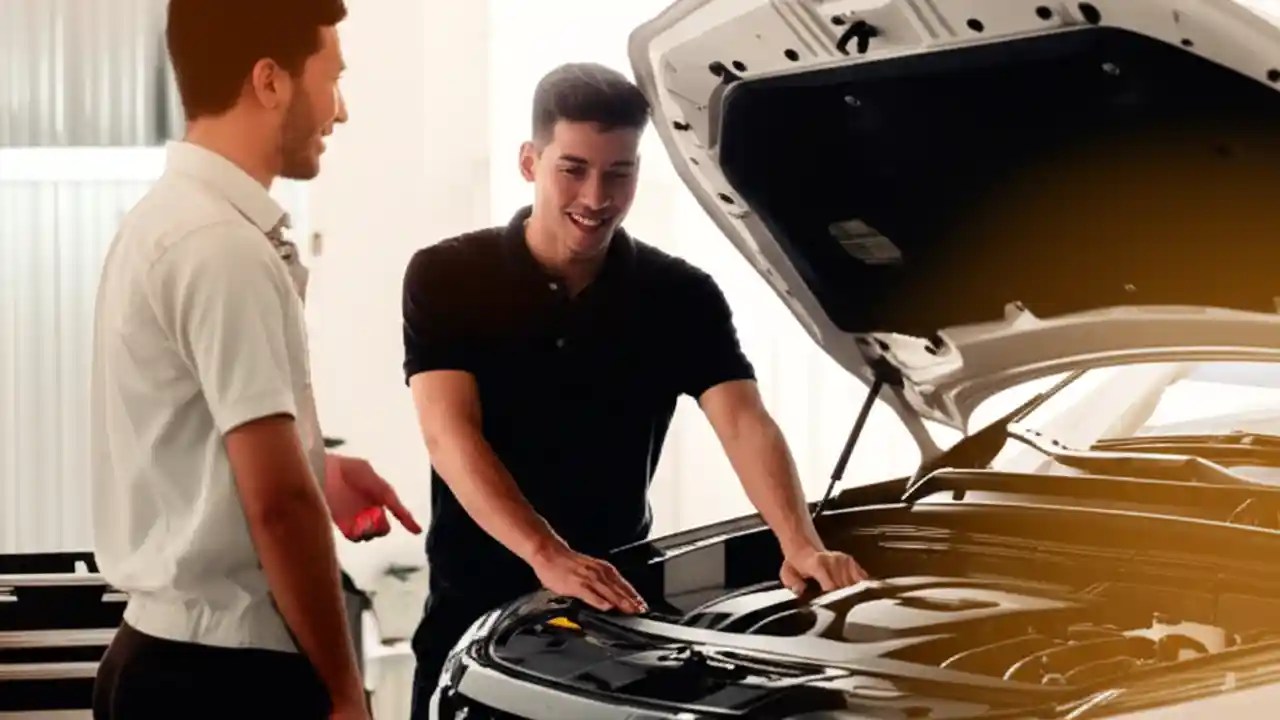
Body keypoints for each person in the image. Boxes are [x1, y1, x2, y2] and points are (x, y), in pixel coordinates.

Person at [401, 62, 869, 716]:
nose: (596, 197)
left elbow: (742, 420)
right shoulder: (447, 275)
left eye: (619, 172)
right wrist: (548, 554)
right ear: (529, 161)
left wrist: (800, 543)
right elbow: (448, 432)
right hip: (474, 623)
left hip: (613, 621)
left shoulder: (680, 295)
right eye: (573, 168)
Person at [88, 1, 420, 718]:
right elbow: (276, 505)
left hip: (165, 663)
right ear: (270, 82)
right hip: (221, 680)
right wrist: (343, 692)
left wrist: (316, 466)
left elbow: (186, 443)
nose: (340, 112)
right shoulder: (221, 247)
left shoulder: (170, 222)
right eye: (331, 80)